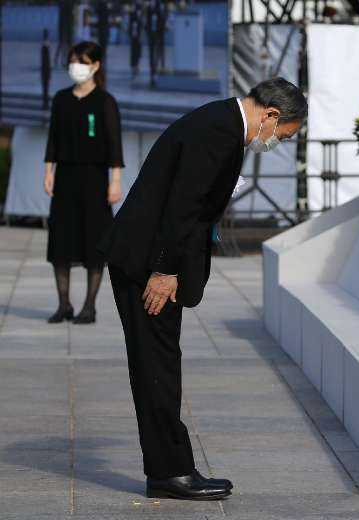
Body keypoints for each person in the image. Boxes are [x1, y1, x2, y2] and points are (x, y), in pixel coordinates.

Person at [98, 78, 307, 500]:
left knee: (161, 365)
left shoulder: (220, 122)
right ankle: (168, 473)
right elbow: (183, 206)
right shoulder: (219, 131)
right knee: (156, 368)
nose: (275, 143)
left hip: (149, 259)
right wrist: (164, 270)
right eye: (282, 135)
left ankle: (172, 466)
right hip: (148, 265)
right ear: (270, 115)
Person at [44, 41, 124, 325]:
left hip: (95, 179)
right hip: (65, 176)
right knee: (61, 240)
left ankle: (89, 307)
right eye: (73, 61)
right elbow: (53, 138)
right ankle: (63, 303)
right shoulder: (61, 98)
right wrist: (49, 171)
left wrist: (115, 181)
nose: (76, 67)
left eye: (82, 61)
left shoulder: (105, 101)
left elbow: (115, 145)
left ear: (96, 66)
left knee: (94, 241)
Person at [41, 29, 52, 110]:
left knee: (45, 88)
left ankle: (45, 104)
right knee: (46, 88)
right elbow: (47, 61)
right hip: (46, 71)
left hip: (45, 71)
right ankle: (45, 104)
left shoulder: (44, 46)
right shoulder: (46, 46)